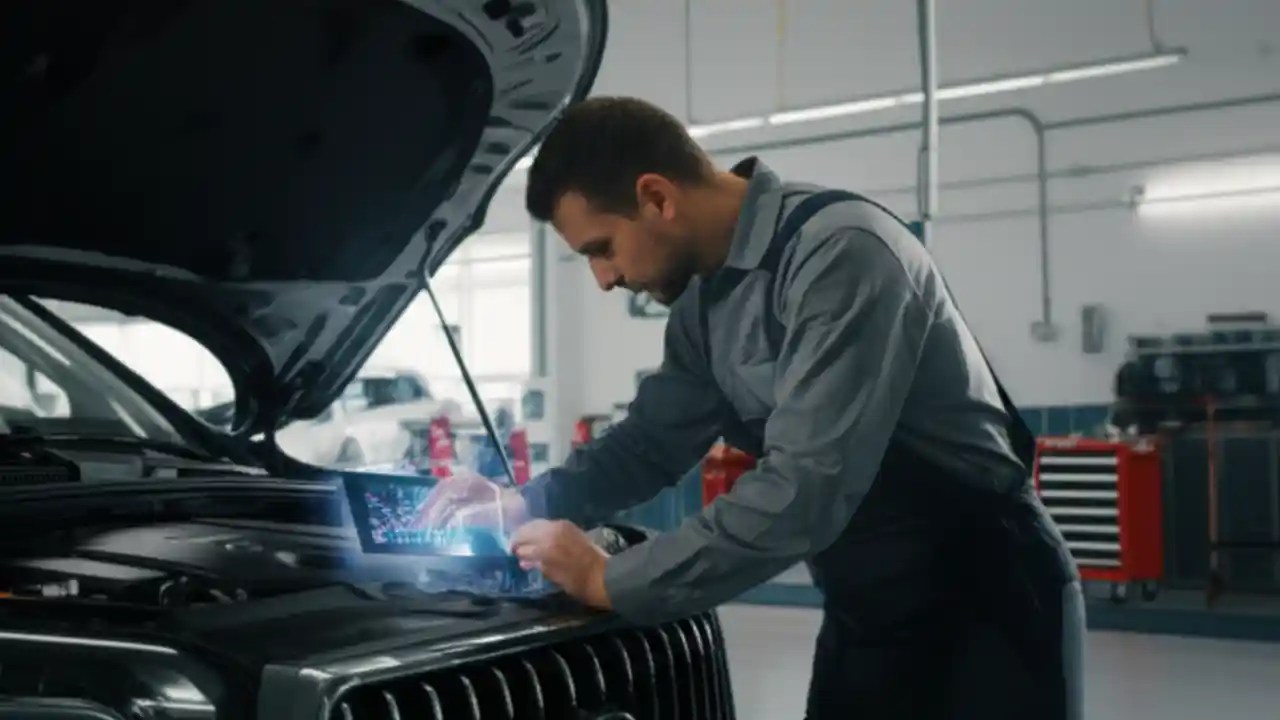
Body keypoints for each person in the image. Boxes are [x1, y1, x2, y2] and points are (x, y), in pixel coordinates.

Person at [421, 96, 1084, 718]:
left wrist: (611, 580)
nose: (604, 278)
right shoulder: (705, 306)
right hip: (870, 605)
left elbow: (806, 487)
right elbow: (650, 443)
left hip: (987, 601)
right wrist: (528, 503)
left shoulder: (842, 254)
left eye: (601, 248)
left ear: (656, 198)